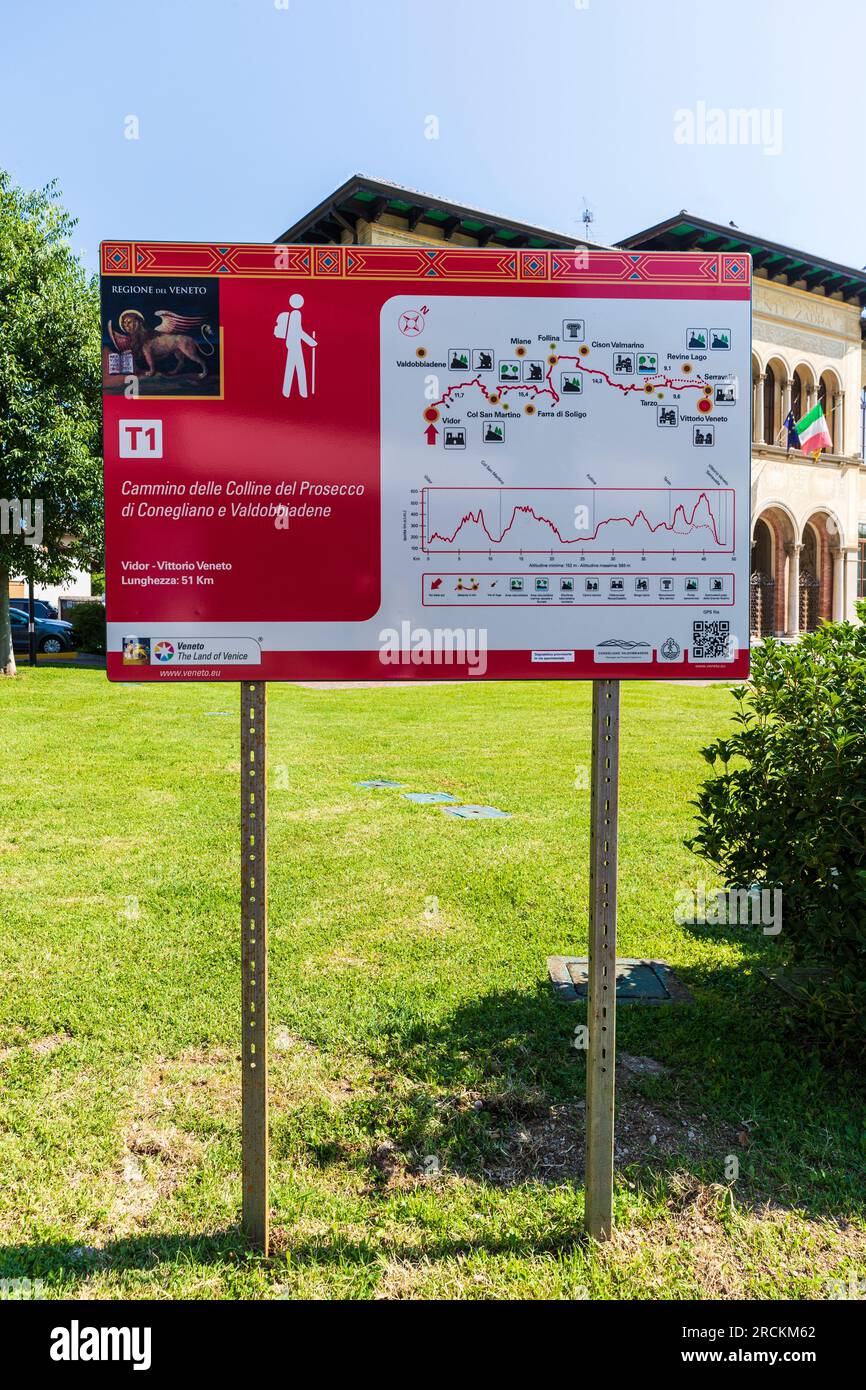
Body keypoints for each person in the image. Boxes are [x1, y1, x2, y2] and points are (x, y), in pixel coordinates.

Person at [274, 293, 317, 398]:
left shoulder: (294, 313)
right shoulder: (296, 314)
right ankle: (302, 393)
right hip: (295, 345)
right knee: (299, 368)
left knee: (292, 368)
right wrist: (311, 341)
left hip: (292, 344)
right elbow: (298, 331)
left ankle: (287, 392)